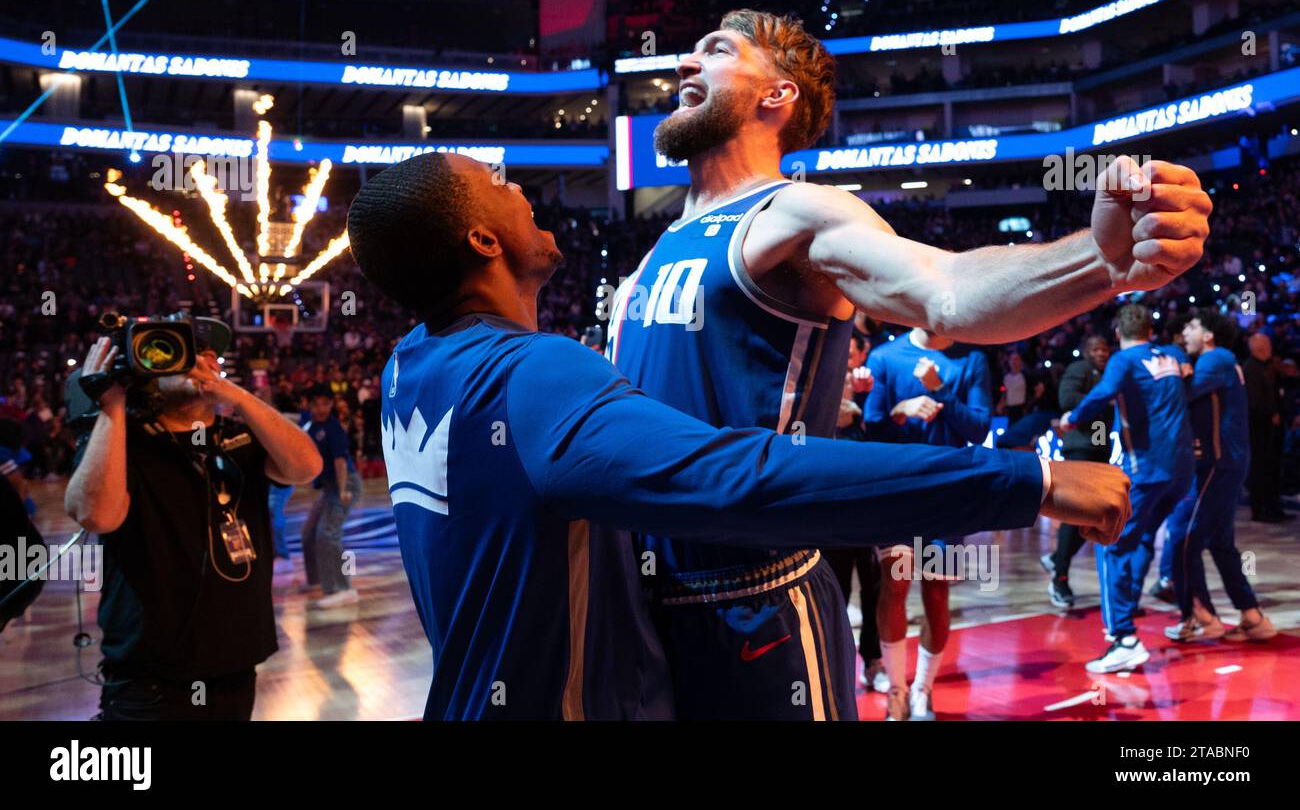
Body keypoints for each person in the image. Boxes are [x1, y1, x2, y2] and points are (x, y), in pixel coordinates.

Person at [344, 151, 1129, 720]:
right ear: (482, 242)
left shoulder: (410, 367)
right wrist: (1029, 481)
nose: (517, 187)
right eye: (496, 185)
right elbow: (744, 478)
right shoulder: (535, 374)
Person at [605, 9, 1210, 717]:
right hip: (640, 610)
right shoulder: (652, 256)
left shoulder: (796, 213)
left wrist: (1100, 261)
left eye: (715, 51)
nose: (684, 62)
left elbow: (948, 292)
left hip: (755, 610)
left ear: (777, 96)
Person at [65, 322, 321, 720]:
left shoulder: (242, 437)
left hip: (236, 669)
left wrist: (233, 394)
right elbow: (96, 514)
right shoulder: (120, 440)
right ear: (144, 371)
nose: (195, 360)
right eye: (173, 350)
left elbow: (306, 467)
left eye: (203, 352)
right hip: (150, 681)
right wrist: (111, 403)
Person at [863, 328, 992, 720]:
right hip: (900, 489)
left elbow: (979, 428)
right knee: (895, 583)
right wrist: (901, 410)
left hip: (948, 492)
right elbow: (873, 425)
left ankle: (923, 689)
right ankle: (897, 691)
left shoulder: (971, 359)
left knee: (936, 591)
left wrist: (940, 391)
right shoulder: (885, 357)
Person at [1061, 304, 1194, 673]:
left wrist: (1073, 417)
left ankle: (1123, 638)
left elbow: (1103, 394)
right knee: (1145, 535)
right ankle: (1130, 604)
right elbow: (1188, 378)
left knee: (1112, 544)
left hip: (1146, 468)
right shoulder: (1174, 354)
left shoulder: (1123, 361)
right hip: (1182, 470)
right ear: (1151, 330)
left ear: (1119, 333)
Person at [1164, 309, 1276, 642]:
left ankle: (1203, 617)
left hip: (1217, 462)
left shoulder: (1214, 360)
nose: (1186, 330)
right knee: (1220, 542)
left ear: (1209, 336)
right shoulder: (1225, 360)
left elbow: (1182, 395)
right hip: (1230, 460)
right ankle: (1253, 617)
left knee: (1183, 539)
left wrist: (1177, 371)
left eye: (1193, 325)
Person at [823, 332, 886, 693]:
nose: (845, 354)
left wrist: (860, 406)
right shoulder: (821, 380)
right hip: (832, 509)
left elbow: (883, 436)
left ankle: (873, 661)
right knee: (836, 588)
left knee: (876, 586)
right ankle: (837, 662)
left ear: (863, 353)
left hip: (869, 505)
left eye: (851, 349)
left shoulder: (870, 384)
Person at [1042, 335, 1113, 608]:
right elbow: (1066, 399)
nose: (1101, 353)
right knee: (1074, 516)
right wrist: (1102, 399)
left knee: (1095, 519)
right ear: (1086, 351)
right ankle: (1059, 577)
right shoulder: (1078, 370)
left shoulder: (1109, 373)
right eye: (1096, 349)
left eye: (1105, 348)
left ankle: (1057, 558)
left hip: (1099, 448)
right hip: (1079, 448)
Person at [300, 385, 364, 608]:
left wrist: (344, 489)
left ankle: (343, 588)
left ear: (331, 405)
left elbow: (340, 463)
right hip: (329, 486)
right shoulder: (309, 423)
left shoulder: (333, 427)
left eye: (325, 404)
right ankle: (317, 580)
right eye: (316, 404)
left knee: (328, 535)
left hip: (344, 483)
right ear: (309, 405)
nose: (320, 408)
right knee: (309, 534)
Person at [1243, 333, 1292, 522]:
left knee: (1273, 467)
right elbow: (1254, 401)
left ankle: (1273, 505)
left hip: (1273, 428)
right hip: (1260, 428)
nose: (1271, 347)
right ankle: (1260, 508)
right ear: (1260, 347)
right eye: (1268, 344)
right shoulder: (1252, 369)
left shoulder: (1269, 367)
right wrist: (1271, 414)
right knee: (1260, 467)